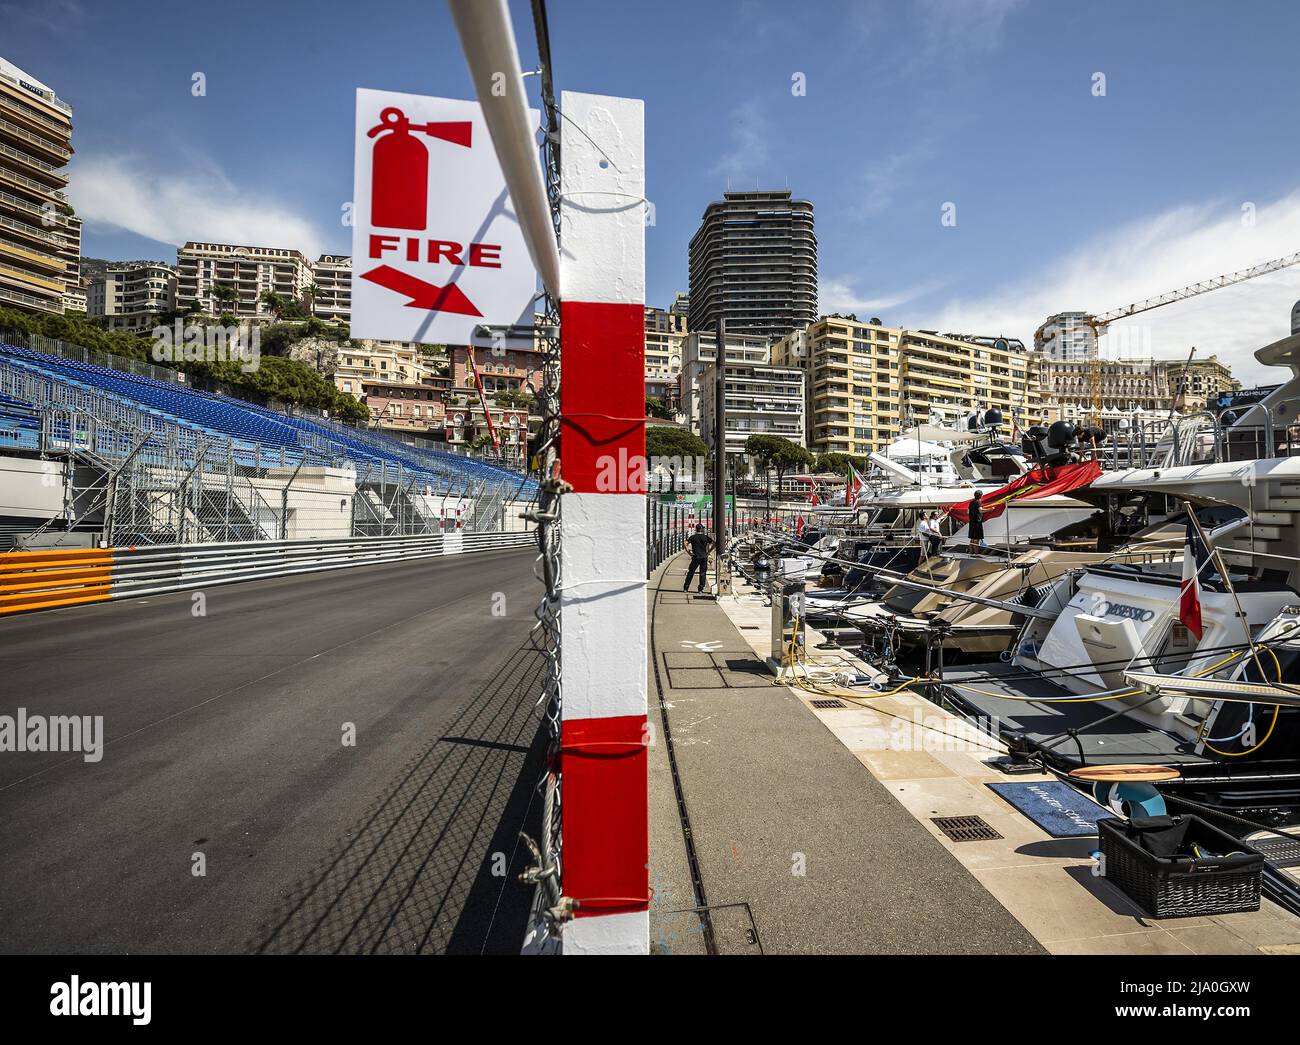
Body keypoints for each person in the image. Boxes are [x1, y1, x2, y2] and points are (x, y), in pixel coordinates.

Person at [684, 524, 715, 593]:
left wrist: (689, 552)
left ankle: (686, 587)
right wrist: (709, 551)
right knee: (703, 573)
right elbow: (714, 543)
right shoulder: (705, 537)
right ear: (702, 529)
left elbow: (685, 543)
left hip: (695, 557)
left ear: (696, 529)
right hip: (704, 557)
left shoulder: (693, 537)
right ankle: (700, 589)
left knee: (691, 572)